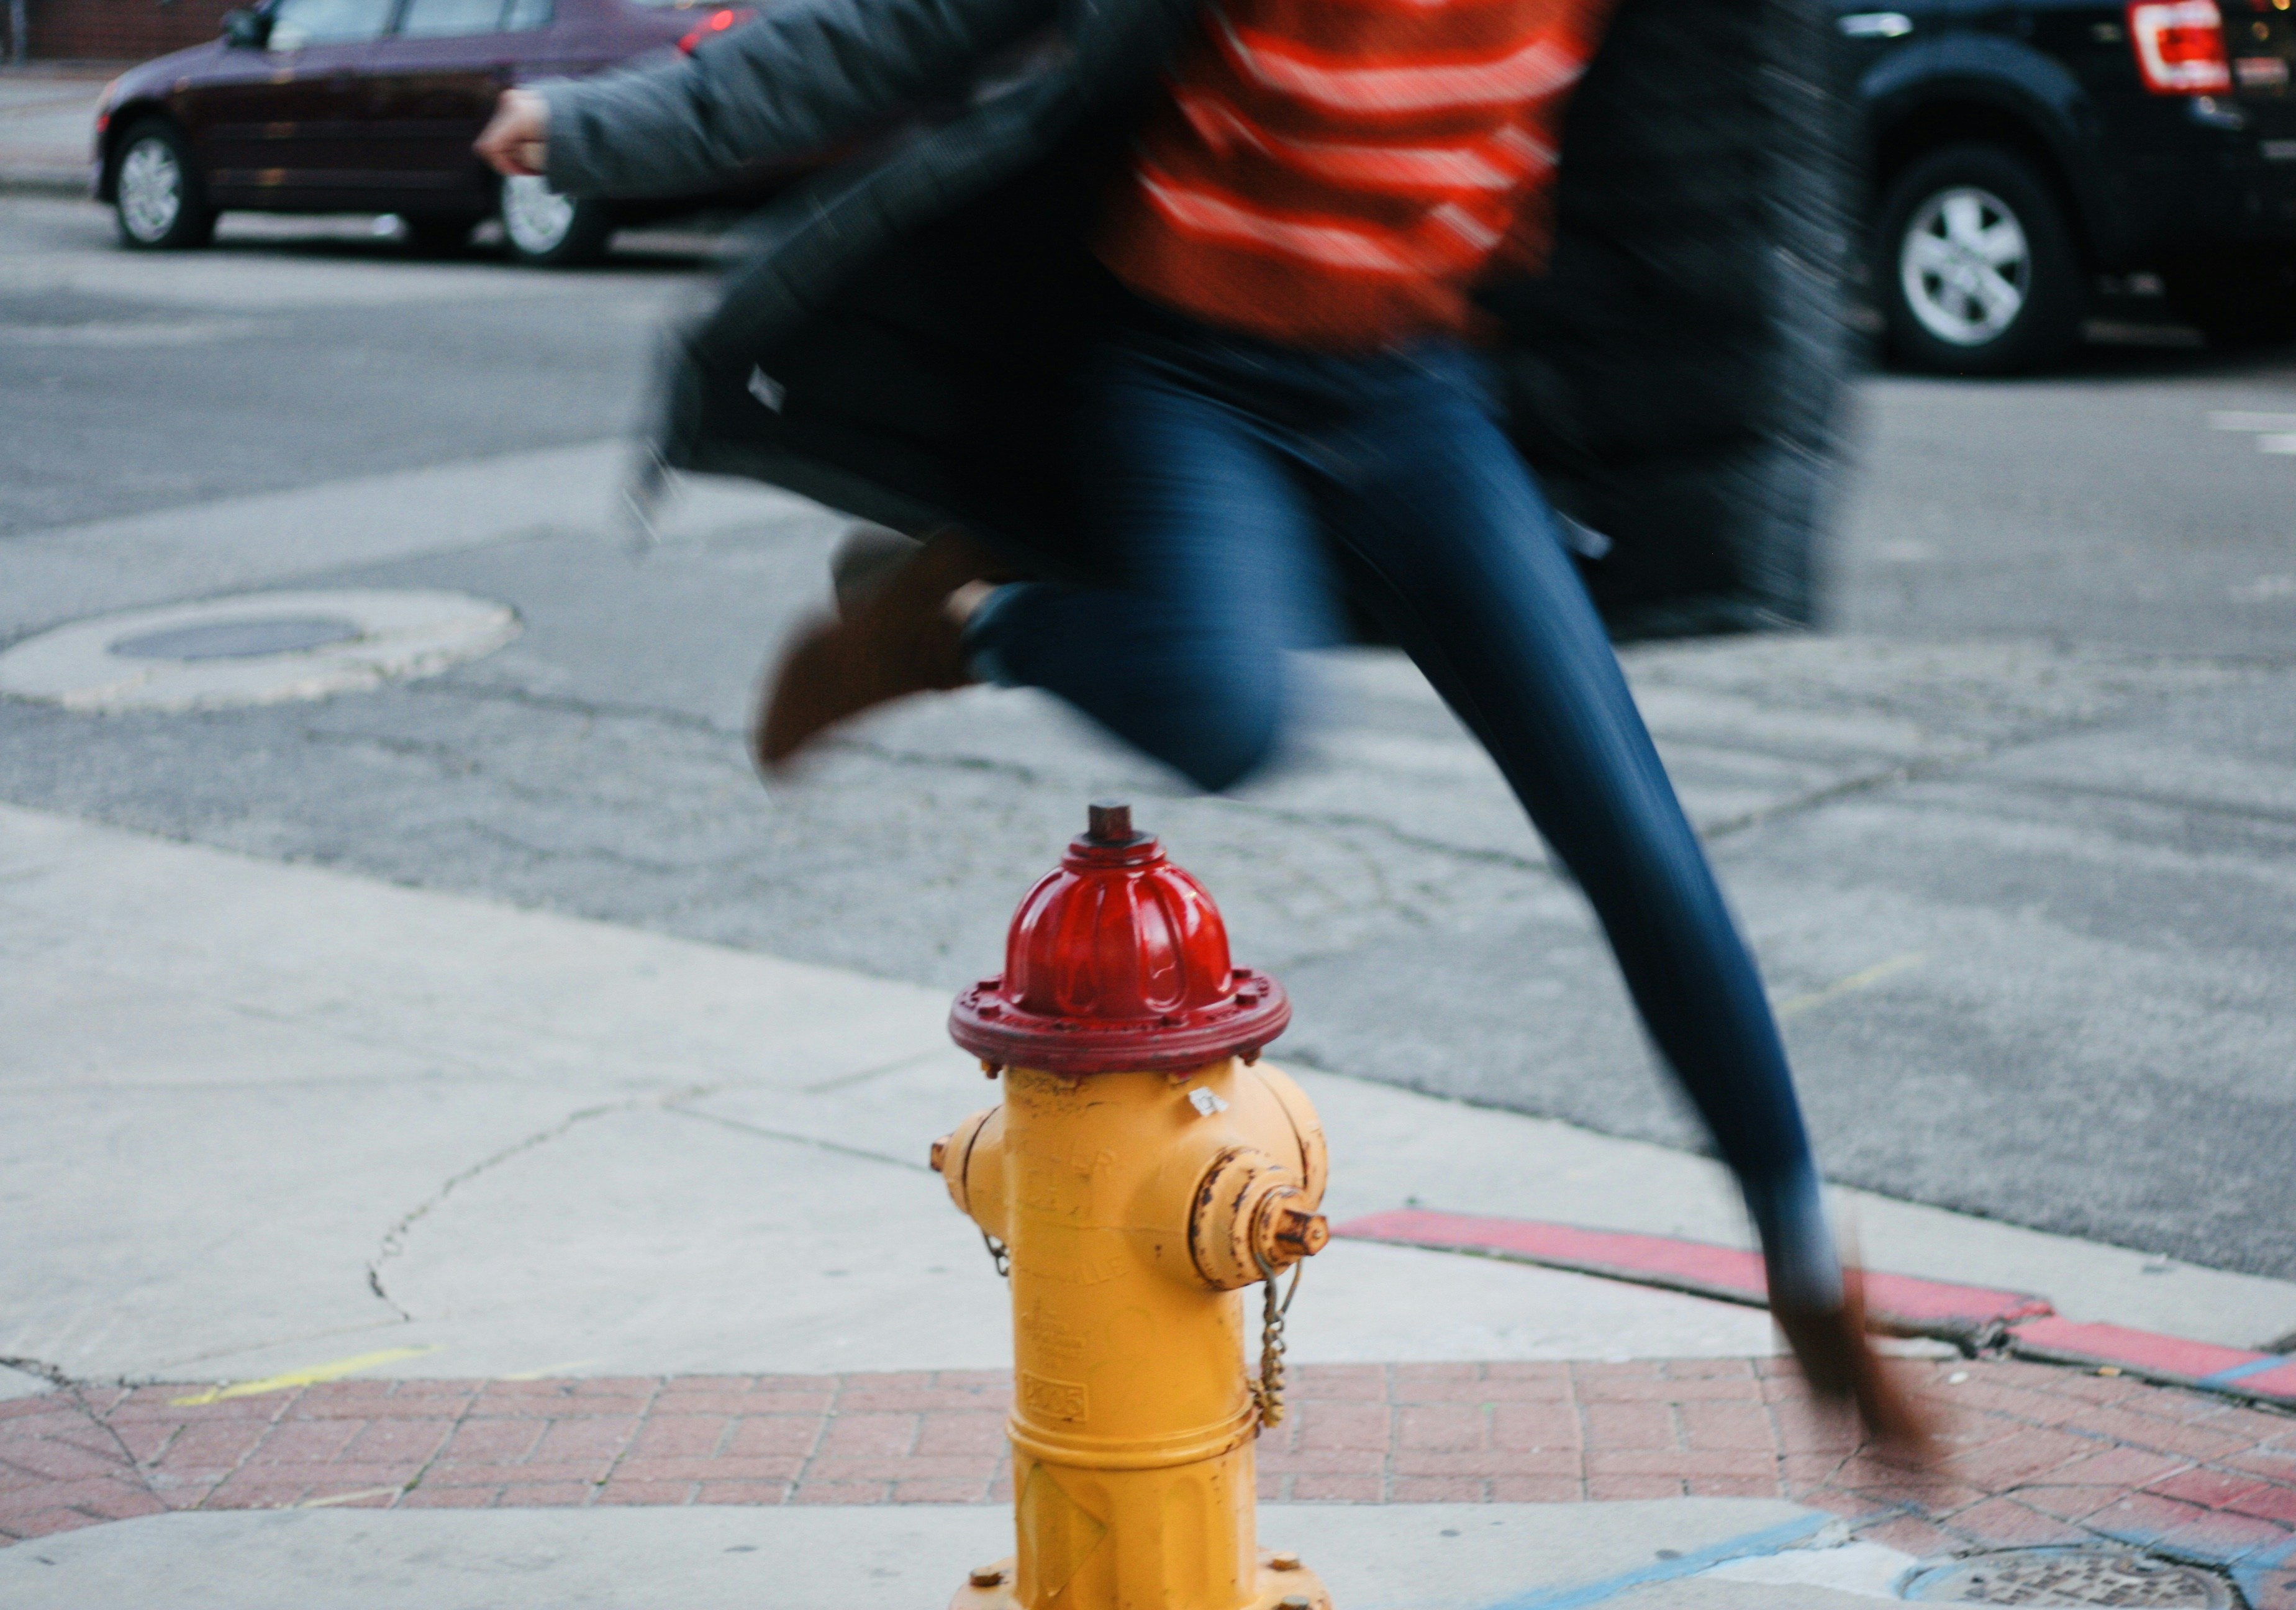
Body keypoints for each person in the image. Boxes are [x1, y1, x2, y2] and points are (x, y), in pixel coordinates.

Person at [478, 0, 1929, 1446]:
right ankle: (958, 632)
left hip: (1417, 399)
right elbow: (906, 22)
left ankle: (1802, 1261)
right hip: (1191, 373)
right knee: (1225, 718)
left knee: (1633, 833)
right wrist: (604, 129)